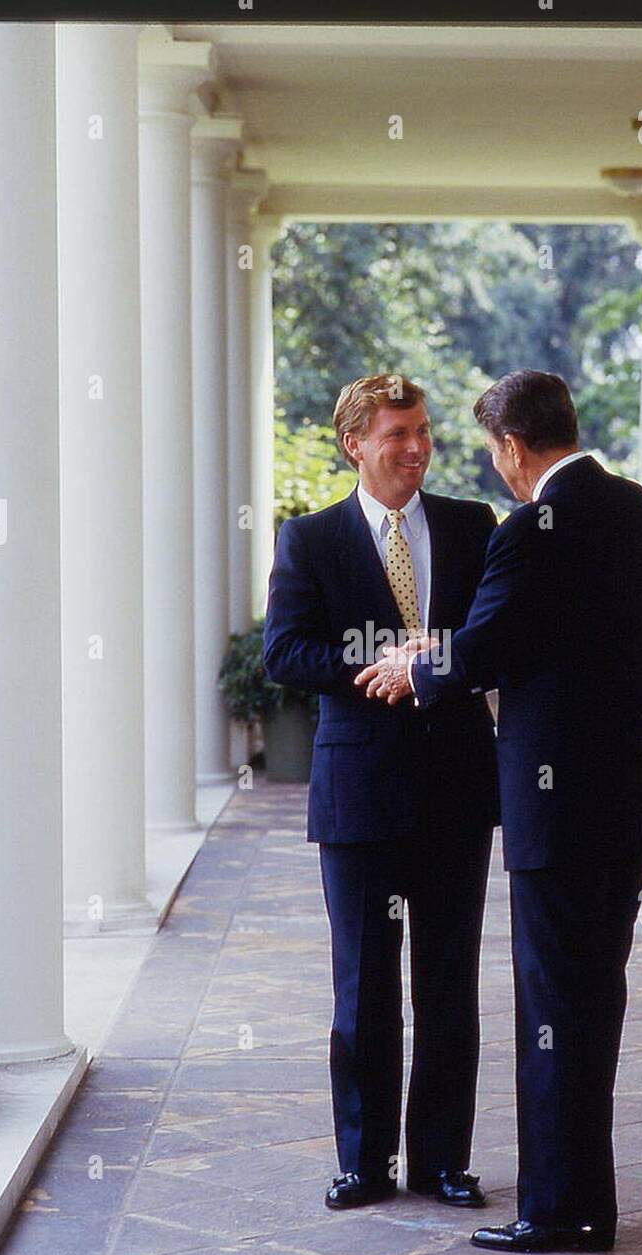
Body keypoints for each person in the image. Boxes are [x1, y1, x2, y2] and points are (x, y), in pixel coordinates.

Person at [357, 370, 642, 1252]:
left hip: (558, 808)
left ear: (511, 446)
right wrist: (451, 648)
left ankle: (559, 1213)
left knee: (554, 1013)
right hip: (625, 803)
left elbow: (491, 644)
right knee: (590, 1004)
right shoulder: (634, 507)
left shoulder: (532, 526)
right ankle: (583, 1203)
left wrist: (415, 667)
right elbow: (551, 630)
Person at [263, 374, 499, 1211]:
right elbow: (285, 652)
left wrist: (432, 663)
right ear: (354, 444)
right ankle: (364, 1164)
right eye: (397, 434)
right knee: (363, 987)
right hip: (359, 793)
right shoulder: (310, 538)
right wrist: (381, 664)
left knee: (449, 985)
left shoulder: (472, 525)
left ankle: (441, 1163)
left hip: (457, 788)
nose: (415, 448)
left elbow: (492, 636)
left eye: (422, 431)